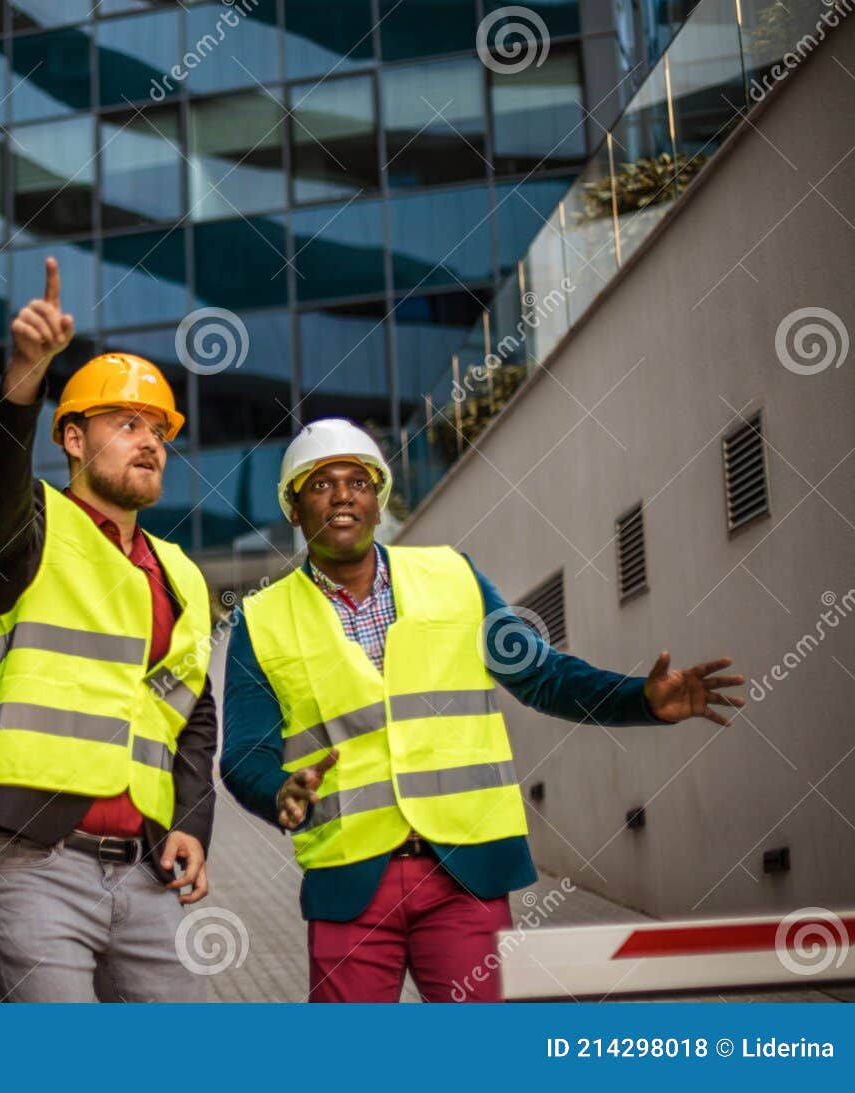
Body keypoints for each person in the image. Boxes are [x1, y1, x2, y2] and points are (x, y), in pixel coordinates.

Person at [219, 418, 747, 1002]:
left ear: (378, 500)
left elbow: (542, 676)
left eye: (358, 481)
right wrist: (279, 793)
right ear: (294, 509)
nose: (342, 494)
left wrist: (638, 700)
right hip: (350, 886)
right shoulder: (261, 620)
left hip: (462, 878)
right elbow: (245, 754)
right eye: (320, 484)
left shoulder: (453, 576)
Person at [0, 256, 219, 1002]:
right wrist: (26, 371)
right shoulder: (30, 529)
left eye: (159, 431)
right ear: (72, 439)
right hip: (35, 860)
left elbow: (194, 712)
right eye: (126, 424)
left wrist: (193, 824)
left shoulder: (179, 571)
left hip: (147, 871)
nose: (150, 442)